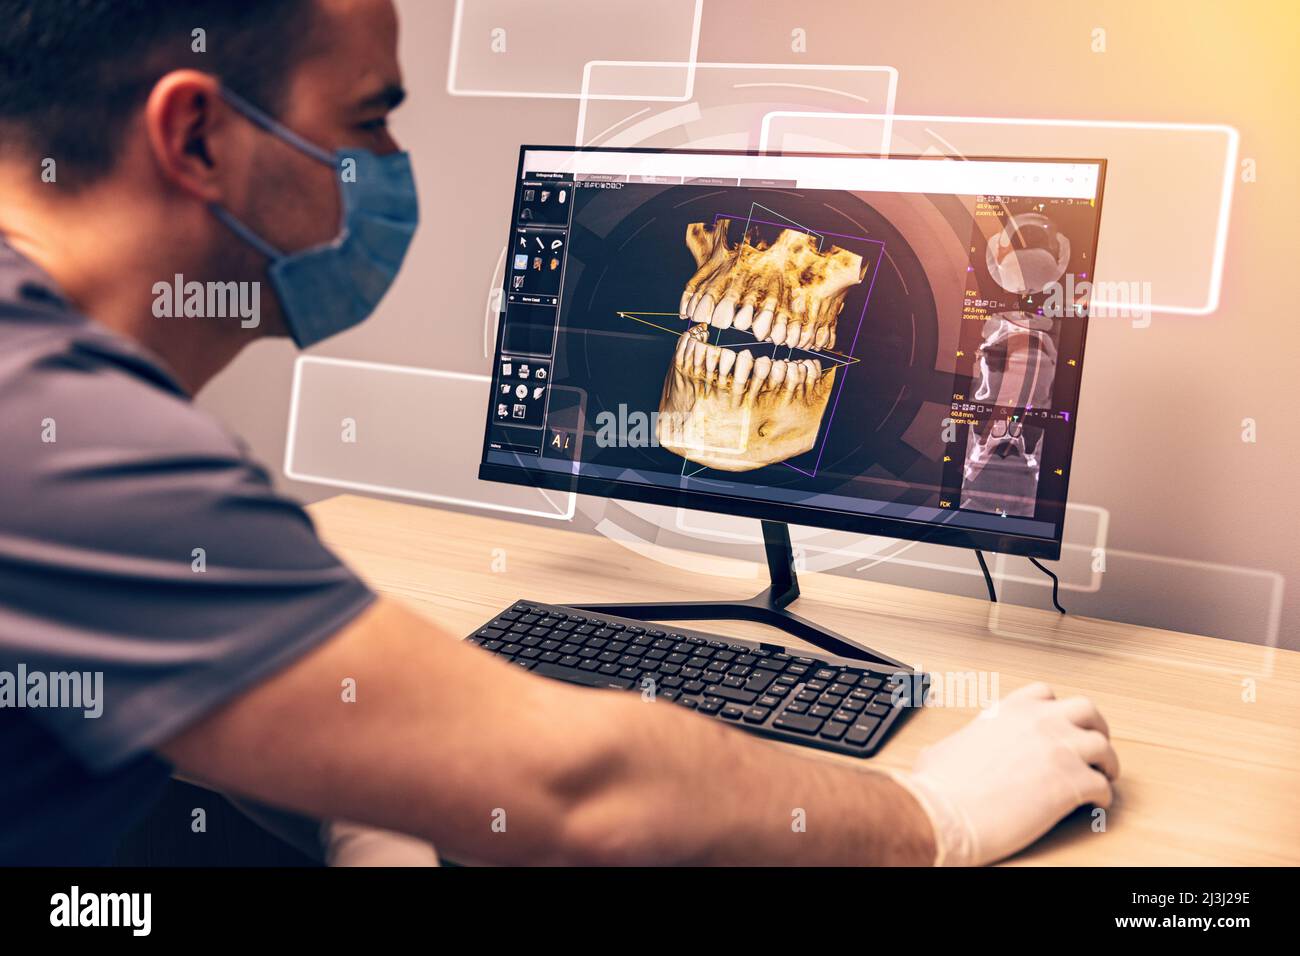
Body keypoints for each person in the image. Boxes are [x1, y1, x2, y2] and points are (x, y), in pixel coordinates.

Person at [0, 0, 1119, 867]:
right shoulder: (71, 441)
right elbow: (582, 786)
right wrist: (935, 810)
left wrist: (369, 803)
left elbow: (199, 686)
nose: (392, 168)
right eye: (368, 119)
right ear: (197, 135)